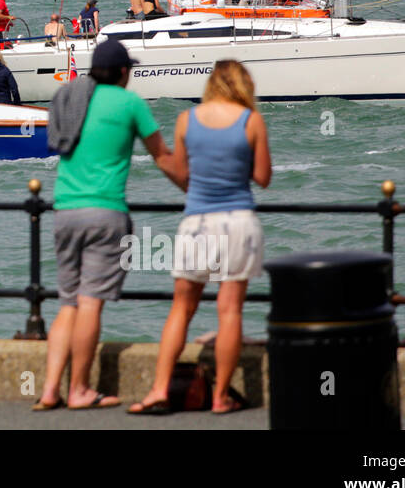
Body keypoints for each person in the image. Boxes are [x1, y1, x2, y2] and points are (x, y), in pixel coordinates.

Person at [34, 39, 181, 411]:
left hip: (64, 210)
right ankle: (80, 389)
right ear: (122, 72)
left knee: (67, 304)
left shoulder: (74, 99)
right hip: (104, 212)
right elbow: (163, 157)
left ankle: (51, 389)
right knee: (89, 303)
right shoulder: (130, 103)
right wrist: (197, 189)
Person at [128, 60, 271, 416]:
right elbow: (263, 176)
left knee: (181, 308)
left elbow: (181, 171)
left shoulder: (185, 121)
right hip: (238, 220)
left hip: (197, 221)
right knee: (230, 310)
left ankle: (160, 389)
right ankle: (221, 396)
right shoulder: (250, 120)